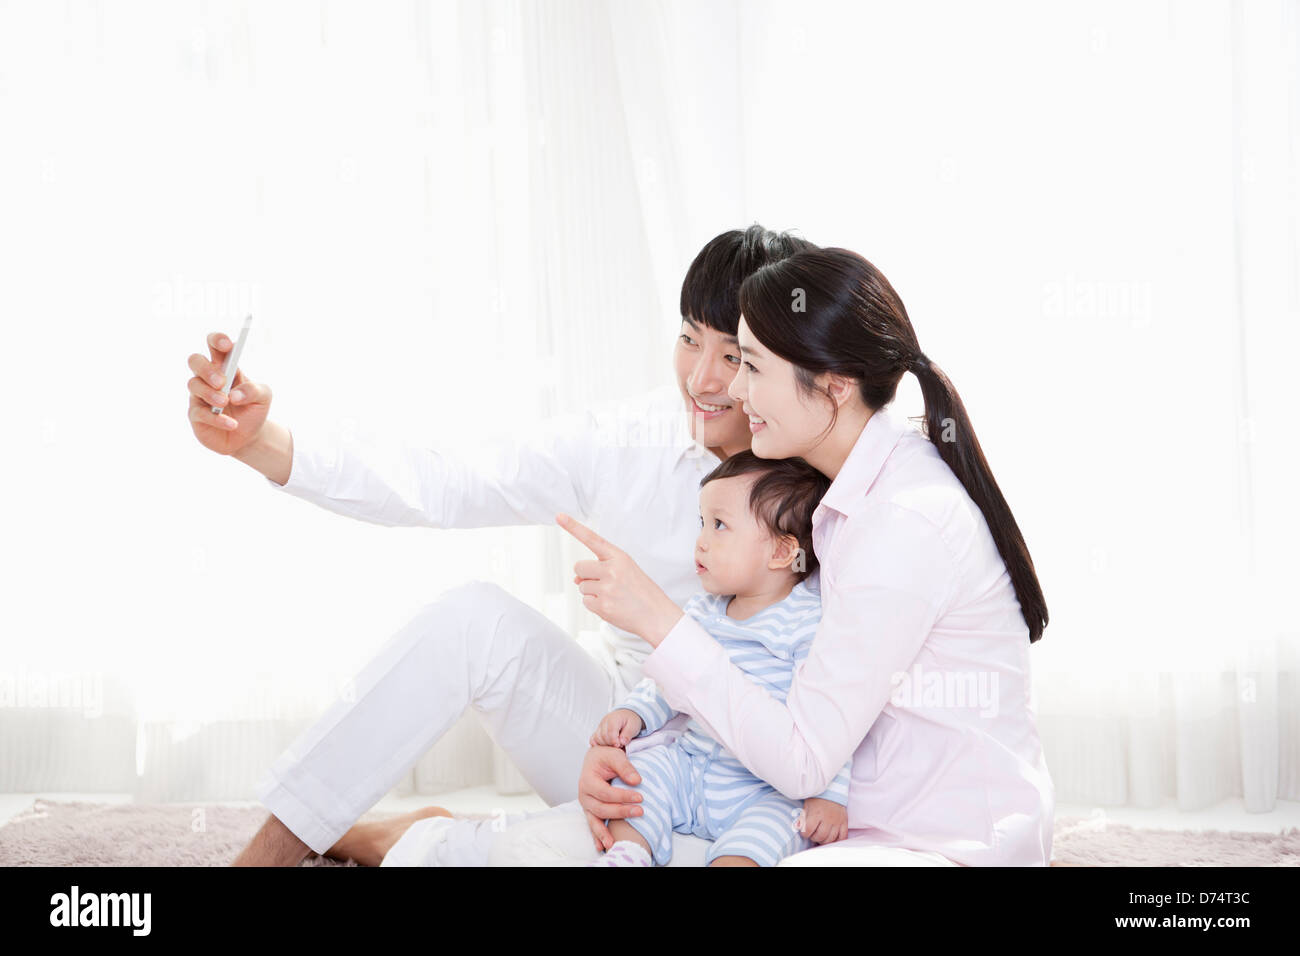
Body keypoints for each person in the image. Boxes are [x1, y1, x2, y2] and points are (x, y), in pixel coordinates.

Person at [184, 225, 816, 866]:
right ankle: (269, 855)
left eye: (734, 355)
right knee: (471, 619)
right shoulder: (626, 440)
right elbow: (448, 480)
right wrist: (264, 446)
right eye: (687, 339)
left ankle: (413, 839)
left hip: (756, 778)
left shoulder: (819, 471)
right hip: (621, 737)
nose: (701, 379)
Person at [559, 246, 1055, 866]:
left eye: (754, 367)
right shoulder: (844, 490)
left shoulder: (902, 520)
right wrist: (641, 739)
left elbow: (800, 761)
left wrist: (661, 622)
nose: (736, 389)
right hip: (819, 814)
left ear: (835, 386)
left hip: (929, 841)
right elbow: (773, 686)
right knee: (571, 844)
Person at [587, 451, 848, 867]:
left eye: (720, 525)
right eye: (702, 523)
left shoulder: (808, 622)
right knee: (639, 777)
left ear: (782, 552)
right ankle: (629, 851)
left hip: (765, 790)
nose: (702, 541)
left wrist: (830, 795)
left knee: (778, 827)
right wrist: (634, 712)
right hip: (690, 765)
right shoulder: (702, 610)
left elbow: (832, 721)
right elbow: (669, 678)